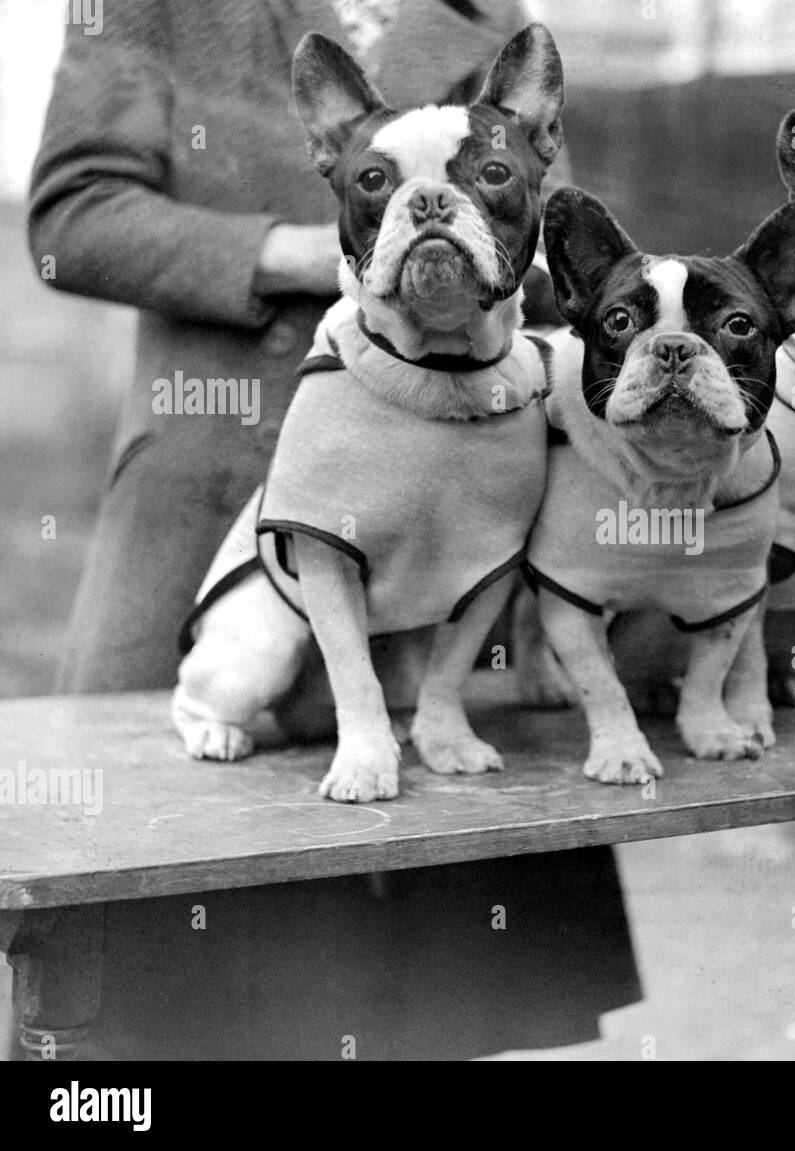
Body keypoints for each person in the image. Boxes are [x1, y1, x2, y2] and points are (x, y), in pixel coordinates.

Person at [25, 0, 640, 1059]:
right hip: (212, 483)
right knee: (155, 914)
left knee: (450, 930)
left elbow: (540, 245)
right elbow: (72, 220)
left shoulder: (492, 22)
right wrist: (330, 254)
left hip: (457, 506)